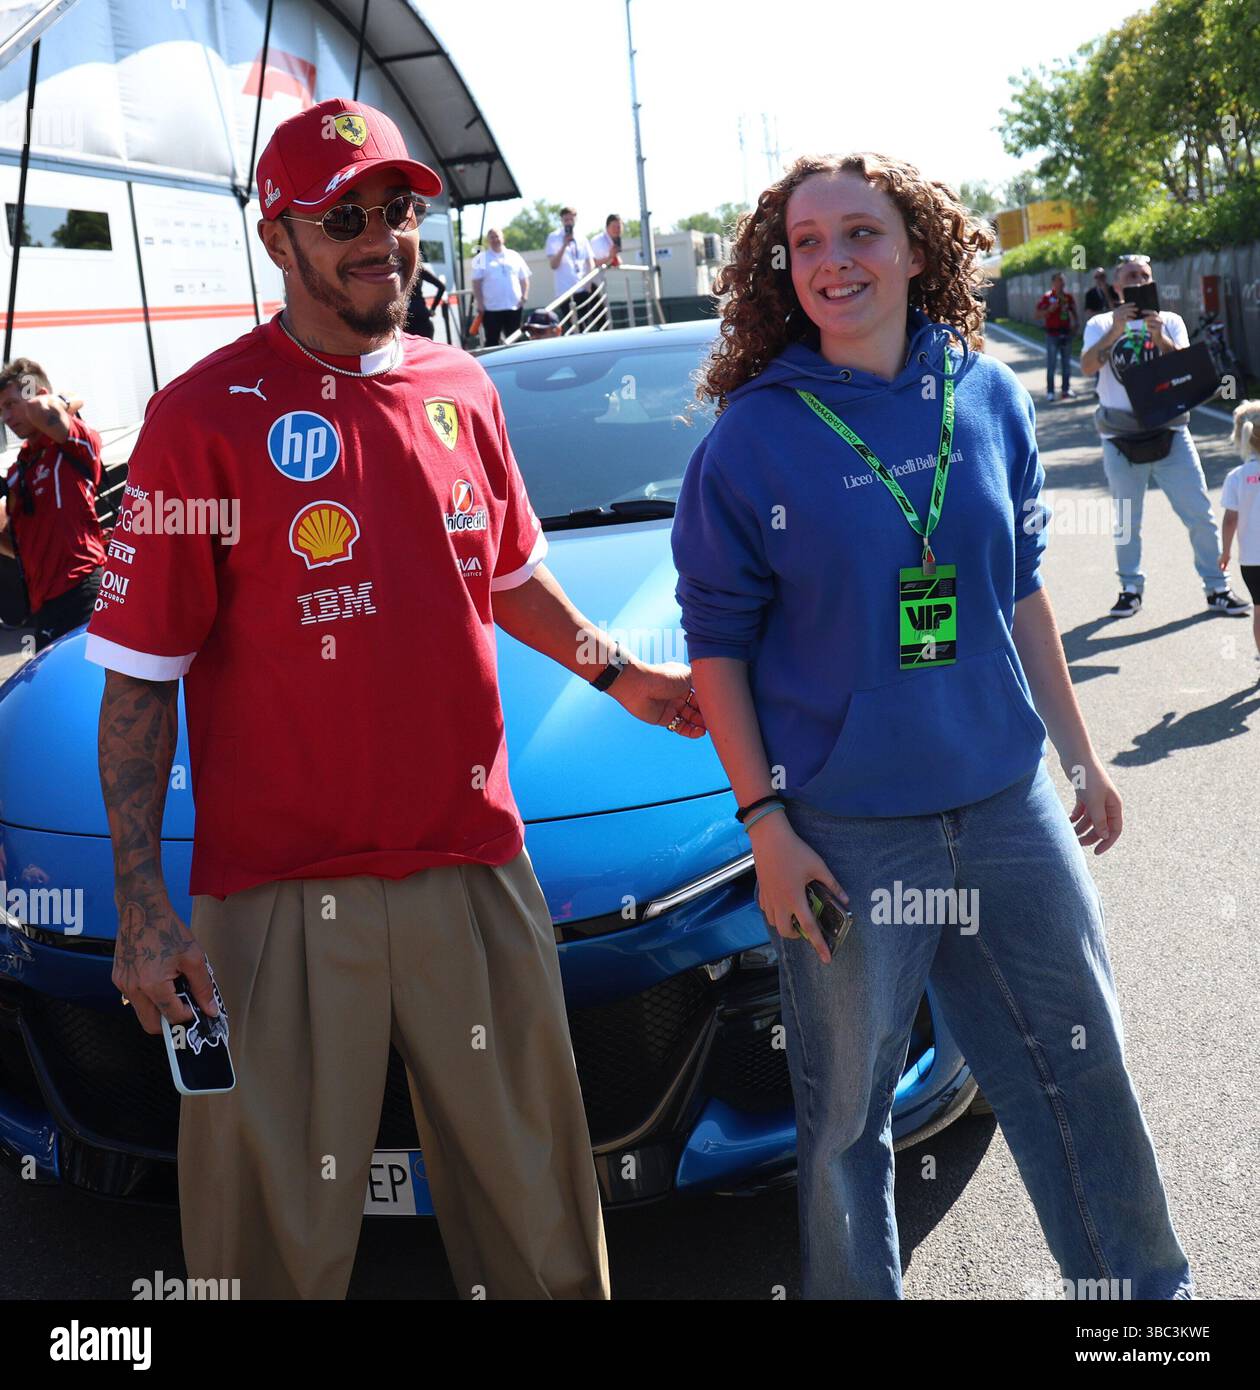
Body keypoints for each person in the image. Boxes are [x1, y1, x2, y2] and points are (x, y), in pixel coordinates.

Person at [85, 97, 706, 1301]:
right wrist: (141, 904)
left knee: (538, 1221)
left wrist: (624, 677)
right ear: (279, 239)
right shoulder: (198, 420)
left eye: (399, 209)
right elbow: (140, 681)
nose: (382, 236)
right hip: (273, 890)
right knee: (266, 1241)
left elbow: (511, 578)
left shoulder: (462, 388)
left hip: (471, 859)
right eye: (344, 216)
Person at [670, 151, 1193, 1301]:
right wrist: (766, 826)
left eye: (859, 233)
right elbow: (718, 649)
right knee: (847, 1116)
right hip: (848, 836)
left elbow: (1020, 591)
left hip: (1006, 808)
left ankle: (1141, 1312)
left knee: (1083, 1071)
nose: (833, 261)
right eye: (806, 243)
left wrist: (1081, 754)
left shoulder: (985, 388)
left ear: (917, 248)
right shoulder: (751, 437)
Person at [1080, 253, 1251, 620]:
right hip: (1120, 437)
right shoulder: (1100, 324)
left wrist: (1160, 339)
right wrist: (1115, 332)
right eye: (1130, 276)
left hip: (1171, 431)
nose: (1138, 282)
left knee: (1199, 514)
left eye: (1144, 276)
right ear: (1116, 285)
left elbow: (1190, 370)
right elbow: (1088, 366)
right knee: (1128, 520)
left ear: (1153, 281)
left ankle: (1217, 588)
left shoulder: (1169, 320)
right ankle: (1130, 588)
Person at [0, 359, 104, 650]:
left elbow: (44, 411)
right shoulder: (17, 471)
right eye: (1, 409)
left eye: (10, 404)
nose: (6, 417)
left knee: (94, 688)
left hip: (84, 590)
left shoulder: (73, 441)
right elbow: (13, 541)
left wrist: (49, 400)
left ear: (40, 394)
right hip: (42, 606)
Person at [1221, 400, 1260, 665]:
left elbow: (1230, 520)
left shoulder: (1237, 476)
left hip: (1251, 559)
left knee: (1259, 610)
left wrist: (1225, 551)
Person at [470, 227, 530, 345]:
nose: (495, 239)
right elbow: (476, 283)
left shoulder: (514, 255)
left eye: (497, 236)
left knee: (515, 340)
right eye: (492, 237)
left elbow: (524, 278)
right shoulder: (481, 258)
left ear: (503, 238)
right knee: (492, 341)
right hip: (491, 308)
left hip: (514, 306)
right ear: (488, 240)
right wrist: (480, 303)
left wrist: (524, 296)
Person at [1033, 270, 1079, 401]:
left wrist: (1076, 324)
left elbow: (1074, 312)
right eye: (1059, 280)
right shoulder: (1047, 297)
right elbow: (1036, 315)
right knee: (1052, 364)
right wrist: (1049, 310)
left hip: (1066, 333)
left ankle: (1065, 390)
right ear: (1053, 282)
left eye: (1063, 280)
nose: (1062, 283)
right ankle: (1050, 391)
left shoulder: (1068, 297)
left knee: (1066, 363)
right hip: (1052, 334)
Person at [545, 206, 596, 308]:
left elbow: (590, 261)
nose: (568, 222)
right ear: (561, 221)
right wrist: (564, 245)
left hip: (582, 288)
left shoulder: (582, 237)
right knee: (571, 322)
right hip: (564, 291)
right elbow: (553, 265)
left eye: (571, 219)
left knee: (584, 322)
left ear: (576, 219)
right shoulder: (553, 237)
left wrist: (588, 283)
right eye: (566, 220)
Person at [403, 260, 446, 339]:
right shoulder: (418, 269)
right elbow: (441, 287)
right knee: (426, 348)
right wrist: (433, 309)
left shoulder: (399, 270)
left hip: (407, 316)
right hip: (422, 313)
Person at [590, 213, 624, 291]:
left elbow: (617, 263)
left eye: (619, 227)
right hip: (591, 286)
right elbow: (594, 263)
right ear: (607, 228)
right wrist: (610, 257)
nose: (617, 230)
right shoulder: (598, 241)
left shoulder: (612, 241)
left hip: (600, 285)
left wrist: (613, 257)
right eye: (614, 227)